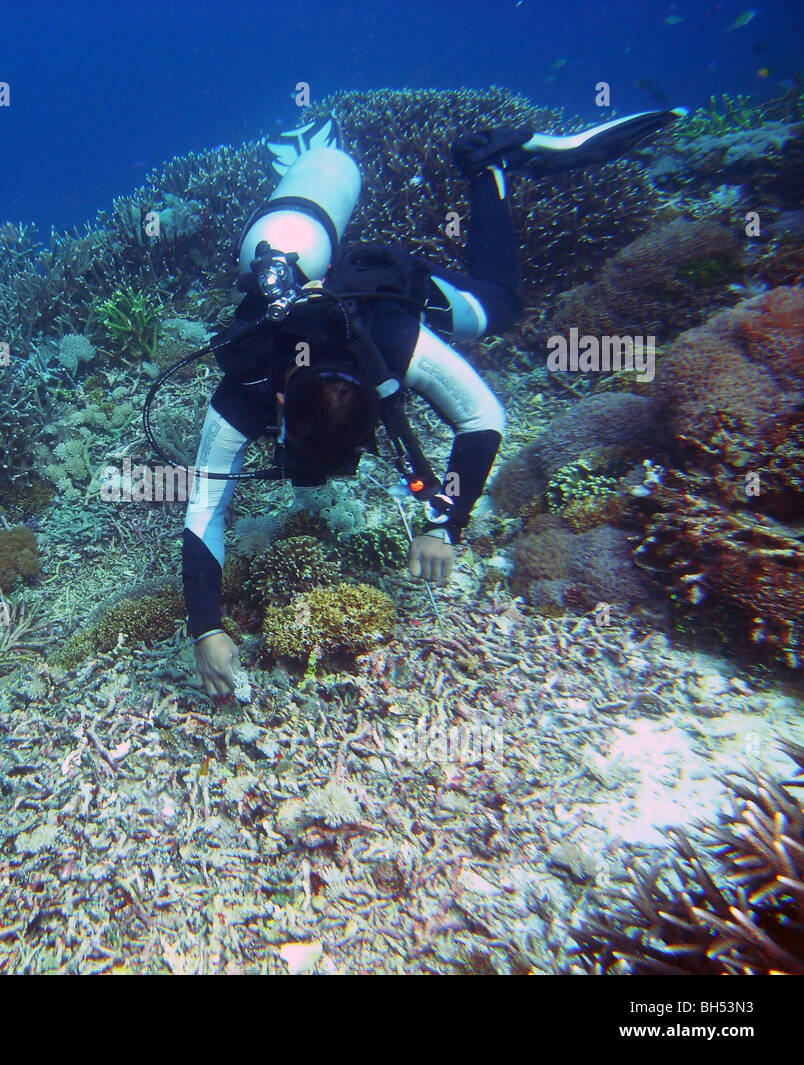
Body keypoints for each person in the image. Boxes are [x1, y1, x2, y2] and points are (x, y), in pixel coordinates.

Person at [182, 109, 684, 699]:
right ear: (280, 405)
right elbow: (202, 512)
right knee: (296, 245)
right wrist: (205, 626)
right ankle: (311, 162)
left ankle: (488, 161)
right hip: (295, 256)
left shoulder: (393, 341)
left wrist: (446, 520)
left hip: (368, 284)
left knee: (496, 308)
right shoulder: (249, 378)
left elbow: (486, 420)